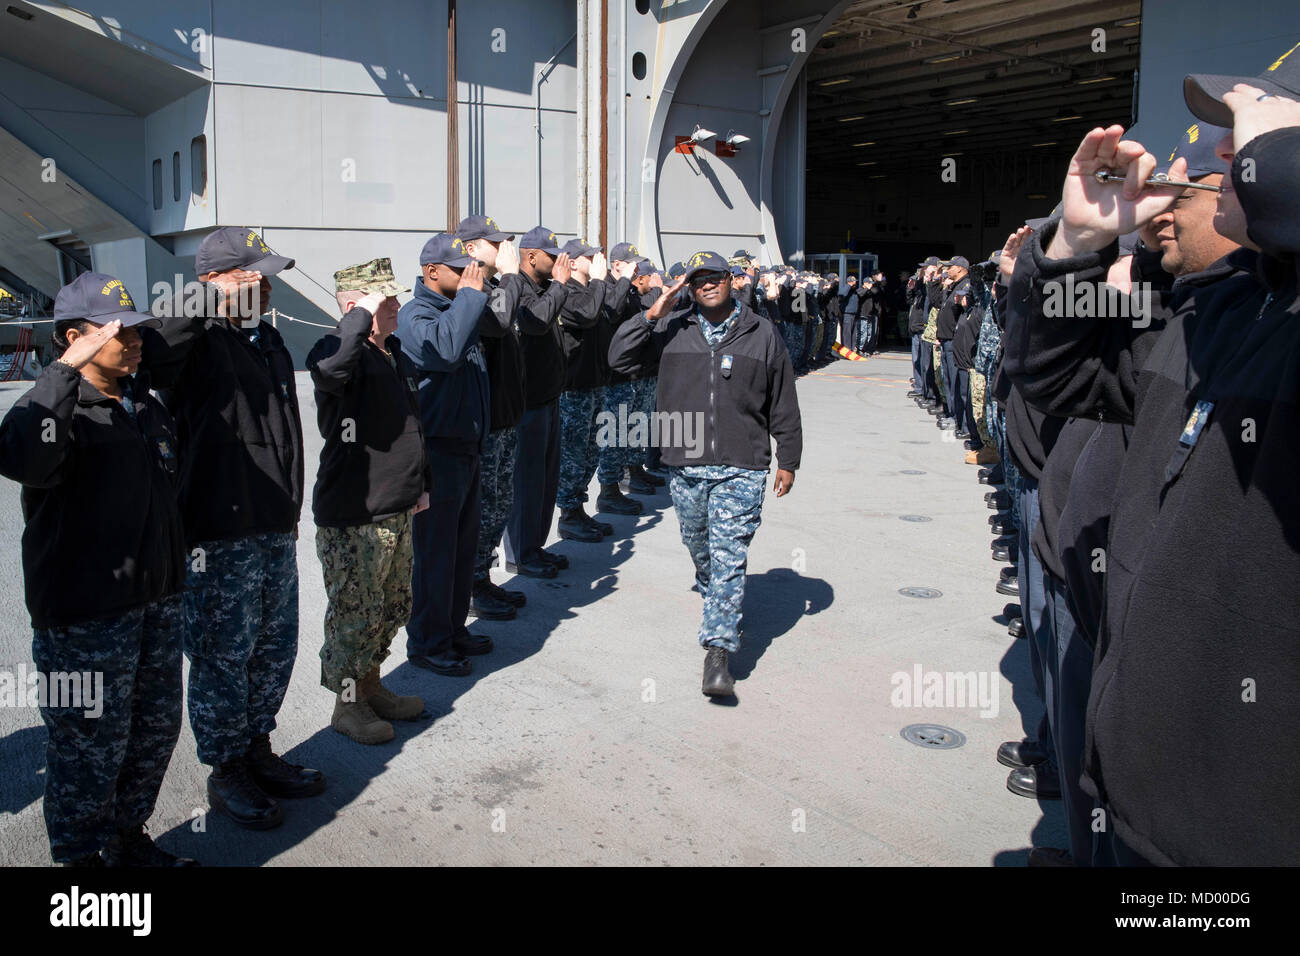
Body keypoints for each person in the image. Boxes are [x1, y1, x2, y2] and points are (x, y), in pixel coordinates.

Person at [1002, 63, 1300, 864]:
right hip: (1135, 785)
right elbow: (1057, 374)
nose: (1172, 184)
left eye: (1243, 139)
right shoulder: (1226, 308)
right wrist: (1076, 246)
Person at [0, 273, 193, 867]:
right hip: (86, 616)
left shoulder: (140, 404)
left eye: (136, 331)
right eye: (118, 334)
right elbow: (22, 457)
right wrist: (60, 372)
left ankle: (127, 839)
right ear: (76, 338)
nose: (134, 342)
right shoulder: (60, 408)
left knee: (152, 733)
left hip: (156, 603)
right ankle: (80, 865)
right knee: (87, 748)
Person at [144, 227, 322, 830]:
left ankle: (257, 748)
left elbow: (288, 433)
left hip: (273, 522)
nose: (269, 284)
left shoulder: (267, 338)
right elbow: (152, 343)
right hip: (217, 531)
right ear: (222, 280)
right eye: (256, 274)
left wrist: (292, 510)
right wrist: (206, 300)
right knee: (224, 654)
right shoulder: (192, 339)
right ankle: (226, 769)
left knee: (275, 645)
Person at [608, 251, 802, 697]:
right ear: (689, 288)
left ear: (732, 280)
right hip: (686, 463)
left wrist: (788, 457)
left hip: (742, 465)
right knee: (700, 548)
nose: (707, 286)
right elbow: (619, 358)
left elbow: (783, 399)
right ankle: (719, 596)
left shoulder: (762, 333)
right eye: (698, 281)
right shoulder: (673, 330)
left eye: (715, 278)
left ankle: (717, 651)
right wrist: (653, 312)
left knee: (729, 553)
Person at [306, 258, 429, 744]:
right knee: (355, 614)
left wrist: (424, 483)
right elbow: (332, 370)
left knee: (392, 605)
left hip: (397, 503)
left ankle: (372, 686)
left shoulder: (393, 352)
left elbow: (414, 423)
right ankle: (347, 706)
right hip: (356, 512)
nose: (397, 305)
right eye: (386, 299)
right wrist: (357, 316)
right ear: (358, 307)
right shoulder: (336, 351)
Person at [399, 233, 495, 677]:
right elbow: (446, 351)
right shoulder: (415, 315)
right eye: (461, 269)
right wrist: (471, 298)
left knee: (461, 550)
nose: (470, 276)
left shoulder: (459, 305)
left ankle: (452, 629)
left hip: (466, 447)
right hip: (437, 453)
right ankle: (428, 641)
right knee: (436, 554)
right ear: (431, 271)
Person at [455, 215, 529, 620]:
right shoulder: (468, 290)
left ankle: (481, 578)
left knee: (499, 503)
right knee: (483, 505)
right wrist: (513, 276)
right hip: (485, 422)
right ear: (471, 249)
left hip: (506, 416)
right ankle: (469, 584)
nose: (503, 249)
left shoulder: (498, 286)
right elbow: (497, 323)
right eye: (494, 243)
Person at [503, 227, 573, 577]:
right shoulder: (520, 290)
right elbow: (537, 323)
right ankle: (519, 554)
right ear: (531, 256)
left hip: (550, 397)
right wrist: (560, 285)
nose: (559, 260)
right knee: (527, 482)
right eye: (552, 255)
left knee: (545, 481)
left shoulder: (545, 289)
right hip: (528, 403)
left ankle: (535, 546)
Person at [555, 239, 621, 543]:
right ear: (572, 262)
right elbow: (588, 315)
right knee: (574, 452)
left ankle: (578, 505)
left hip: (596, 383)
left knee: (591, 450)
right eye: (590, 257)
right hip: (575, 388)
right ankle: (568, 514)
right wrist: (598, 281)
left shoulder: (593, 290)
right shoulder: (568, 292)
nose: (597, 260)